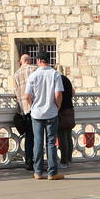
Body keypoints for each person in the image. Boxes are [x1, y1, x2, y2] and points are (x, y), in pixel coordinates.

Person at [24, 52, 65, 180]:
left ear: (38, 61)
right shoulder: (55, 74)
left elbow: (27, 96)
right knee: (51, 142)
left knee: (38, 142)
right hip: (51, 112)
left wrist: (33, 106)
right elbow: (58, 94)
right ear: (48, 60)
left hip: (36, 113)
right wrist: (57, 107)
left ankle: (37, 172)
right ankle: (52, 172)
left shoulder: (33, 75)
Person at [12, 53, 35, 170]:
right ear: (29, 61)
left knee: (29, 137)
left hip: (24, 110)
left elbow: (16, 94)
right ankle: (37, 161)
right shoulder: (34, 69)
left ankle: (28, 161)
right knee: (39, 136)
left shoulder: (15, 75)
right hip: (35, 107)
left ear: (21, 62)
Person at [55, 67, 75, 168]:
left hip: (62, 110)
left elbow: (58, 95)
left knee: (62, 136)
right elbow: (73, 92)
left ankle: (64, 161)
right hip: (70, 109)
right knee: (68, 136)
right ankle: (69, 160)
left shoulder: (57, 80)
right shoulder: (66, 79)